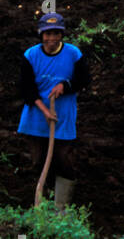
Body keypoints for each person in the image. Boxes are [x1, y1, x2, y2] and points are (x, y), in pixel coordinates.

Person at [18, 13, 90, 209]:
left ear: (62, 35)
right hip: (36, 117)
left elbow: (84, 79)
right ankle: (46, 201)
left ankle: (61, 209)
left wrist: (64, 86)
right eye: (48, 34)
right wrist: (44, 110)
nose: (51, 39)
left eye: (56, 34)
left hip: (63, 116)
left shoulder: (73, 54)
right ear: (41, 35)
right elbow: (26, 89)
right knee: (39, 160)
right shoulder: (30, 56)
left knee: (63, 159)